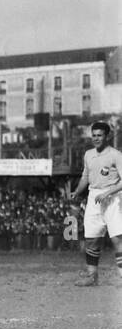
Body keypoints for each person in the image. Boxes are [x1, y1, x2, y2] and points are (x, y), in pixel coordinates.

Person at [69, 121, 122, 286]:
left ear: (107, 136)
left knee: (117, 239)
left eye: (99, 135)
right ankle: (92, 277)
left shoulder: (116, 155)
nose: (96, 138)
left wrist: (108, 192)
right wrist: (77, 191)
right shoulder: (88, 154)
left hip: (113, 197)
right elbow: (86, 176)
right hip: (94, 197)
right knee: (92, 238)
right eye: (94, 135)